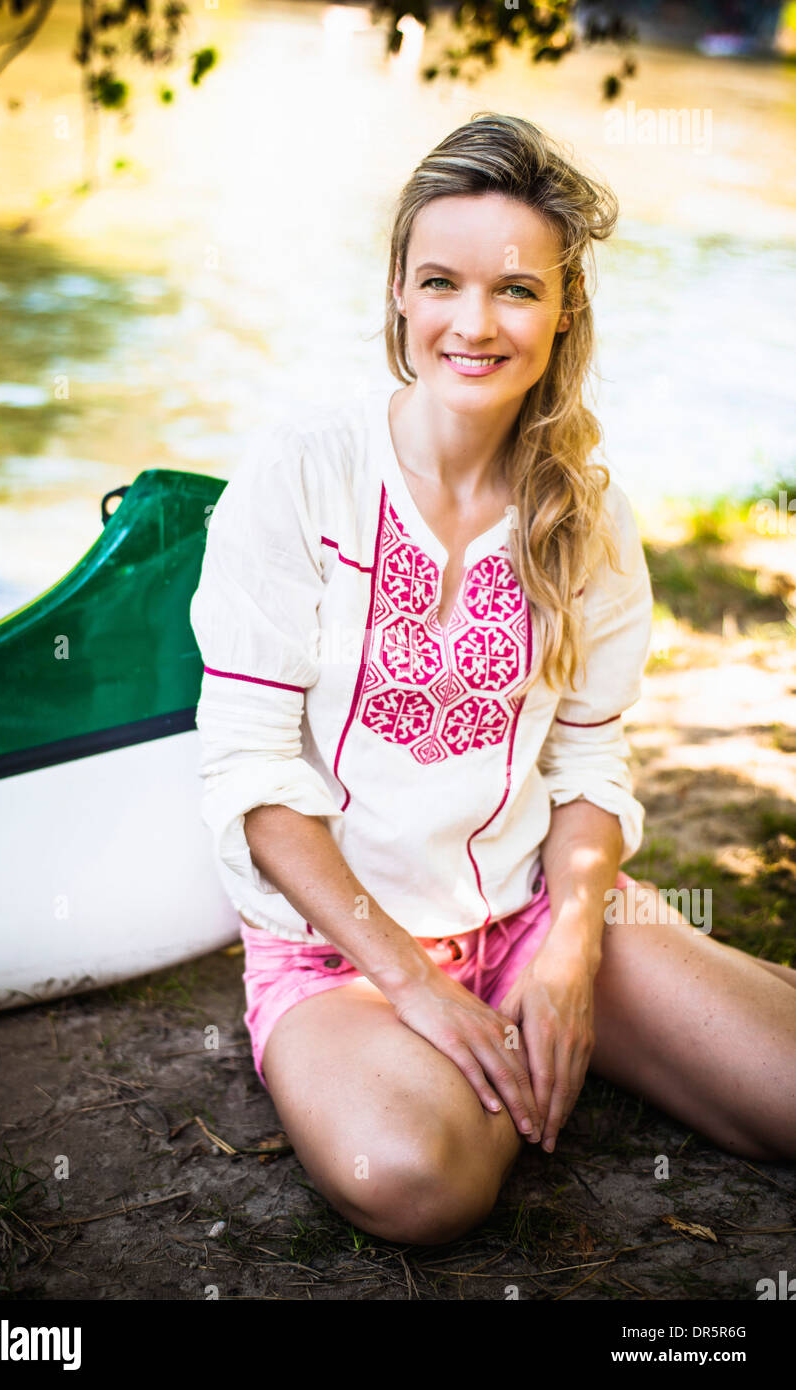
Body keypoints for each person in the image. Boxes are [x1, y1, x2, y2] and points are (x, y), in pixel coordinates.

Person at [189, 112, 796, 1247]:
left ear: (562, 311)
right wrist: (415, 989)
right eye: (440, 283)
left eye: (515, 289)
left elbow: (584, 759)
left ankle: (617, 995)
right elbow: (255, 778)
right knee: (421, 1177)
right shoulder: (298, 473)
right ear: (399, 298)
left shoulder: (591, 515)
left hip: (532, 911)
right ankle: (522, 1038)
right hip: (337, 951)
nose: (474, 323)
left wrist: (570, 946)